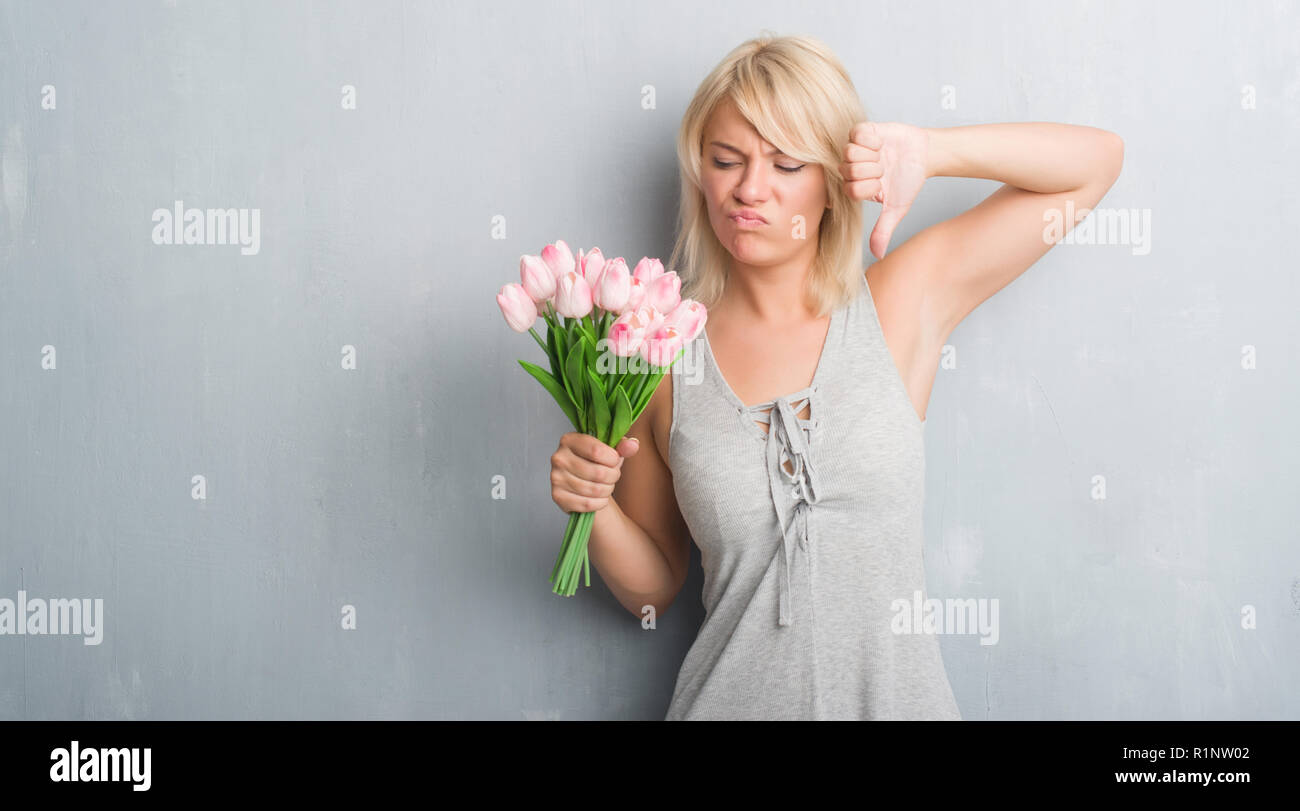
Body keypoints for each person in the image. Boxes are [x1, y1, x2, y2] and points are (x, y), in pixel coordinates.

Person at [548, 33, 1123, 720]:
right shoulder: (660, 358)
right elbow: (655, 591)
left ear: (832, 185)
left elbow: (1095, 163)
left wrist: (931, 153)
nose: (748, 189)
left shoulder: (900, 304)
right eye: (725, 160)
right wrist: (595, 506)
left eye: (785, 163)